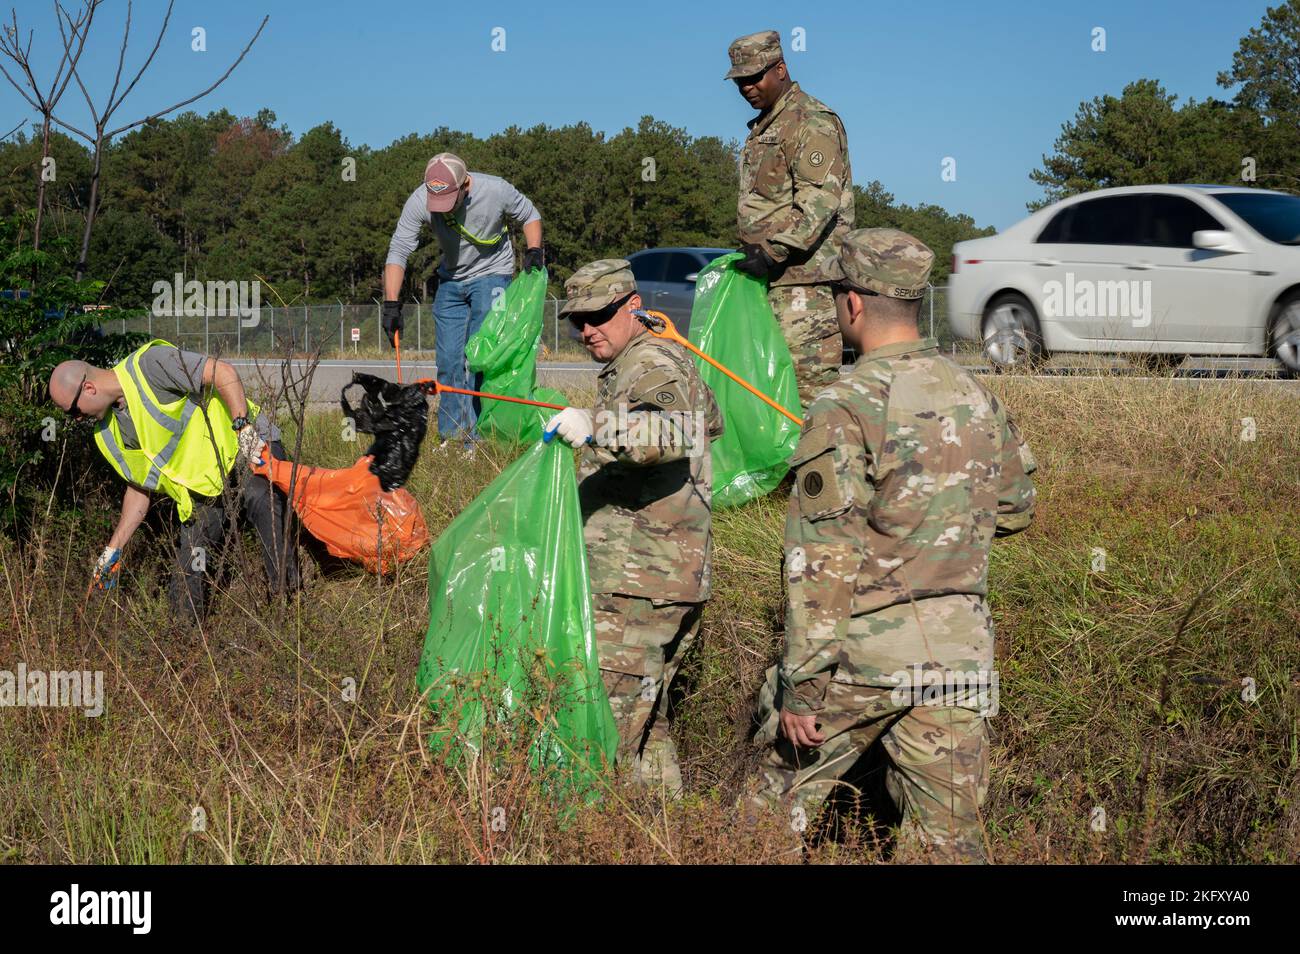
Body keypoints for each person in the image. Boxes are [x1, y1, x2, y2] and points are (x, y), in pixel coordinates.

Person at [746, 229, 1038, 862]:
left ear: (851, 304)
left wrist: (802, 685)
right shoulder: (976, 395)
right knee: (949, 844)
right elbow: (1017, 508)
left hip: (865, 654)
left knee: (764, 823)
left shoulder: (845, 404)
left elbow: (821, 561)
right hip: (960, 658)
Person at [544, 259, 723, 791]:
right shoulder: (645, 357)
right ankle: (661, 833)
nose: (587, 330)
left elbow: (682, 430)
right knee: (646, 727)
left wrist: (596, 427)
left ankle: (599, 836)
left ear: (632, 306)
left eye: (598, 315)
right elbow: (711, 416)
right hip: (655, 576)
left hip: (639, 579)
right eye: (577, 321)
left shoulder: (650, 360)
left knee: (602, 733)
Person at [48, 340, 299, 624]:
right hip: (204, 486)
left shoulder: (149, 366)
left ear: (89, 389)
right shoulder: (107, 433)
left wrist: (243, 428)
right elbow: (140, 488)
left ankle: (288, 607)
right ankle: (185, 644)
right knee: (190, 568)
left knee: (261, 499)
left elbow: (223, 372)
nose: (76, 419)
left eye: (73, 411)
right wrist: (112, 551)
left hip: (243, 449)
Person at [726, 29, 854, 407]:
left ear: (780, 69)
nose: (747, 87)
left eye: (755, 77)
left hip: (806, 285)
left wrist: (772, 251)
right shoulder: (769, 125)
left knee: (807, 399)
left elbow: (819, 201)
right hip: (773, 282)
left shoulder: (809, 121)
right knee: (771, 397)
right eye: (740, 81)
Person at [383, 152, 544, 447]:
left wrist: (534, 249)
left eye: (448, 201)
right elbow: (398, 250)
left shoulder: (495, 190)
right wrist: (391, 304)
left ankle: (480, 438)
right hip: (452, 279)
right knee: (448, 360)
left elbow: (530, 214)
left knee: (478, 357)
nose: (441, 211)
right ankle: (453, 436)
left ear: (465, 186)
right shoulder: (421, 199)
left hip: (493, 274)